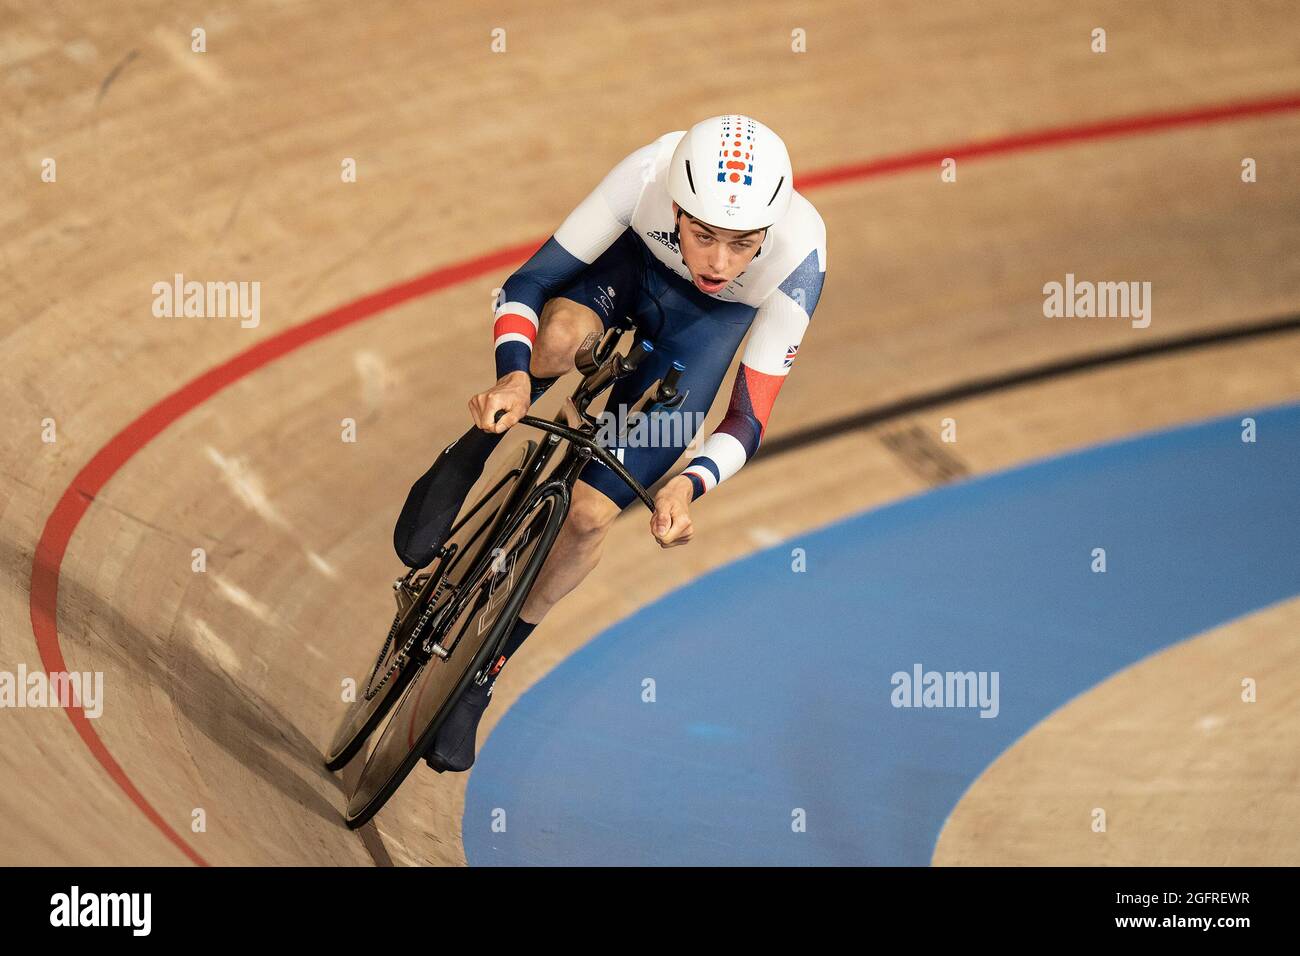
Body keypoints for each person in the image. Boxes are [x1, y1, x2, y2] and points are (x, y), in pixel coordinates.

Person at [407, 114, 827, 772]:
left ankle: (485, 672)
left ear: (768, 232)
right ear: (676, 207)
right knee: (556, 340)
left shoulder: (800, 257)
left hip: (702, 336)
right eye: (703, 234)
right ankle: (476, 445)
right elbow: (527, 285)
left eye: (743, 244)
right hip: (631, 272)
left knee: (588, 517)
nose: (719, 261)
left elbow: (745, 420)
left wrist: (687, 487)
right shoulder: (646, 174)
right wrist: (513, 379)